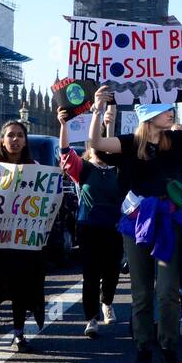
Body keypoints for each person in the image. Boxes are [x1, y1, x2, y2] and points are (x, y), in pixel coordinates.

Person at [90, 82, 182, 363]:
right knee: (142, 294)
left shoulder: (173, 141)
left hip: (168, 221)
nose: (171, 110)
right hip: (135, 223)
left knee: (167, 292)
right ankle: (143, 351)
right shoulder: (126, 144)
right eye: (164, 108)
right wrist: (97, 108)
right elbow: (95, 142)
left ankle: (168, 350)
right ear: (148, 115)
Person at [0, 120, 53, 351]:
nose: (15, 139)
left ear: (25, 140)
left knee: (22, 286)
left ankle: (18, 333)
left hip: (24, 239)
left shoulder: (34, 166)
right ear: (2, 140)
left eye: (20, 135)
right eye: (10, 135)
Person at [58, 105, 125, 338]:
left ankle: (107, 301)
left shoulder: (119, 169)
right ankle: (91, 318)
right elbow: (65, 152)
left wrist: (110, 122)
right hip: (88, 227)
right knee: (90, 273)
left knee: (112, 270)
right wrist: (63, 125)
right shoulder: (83, 168)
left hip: (115, 227)